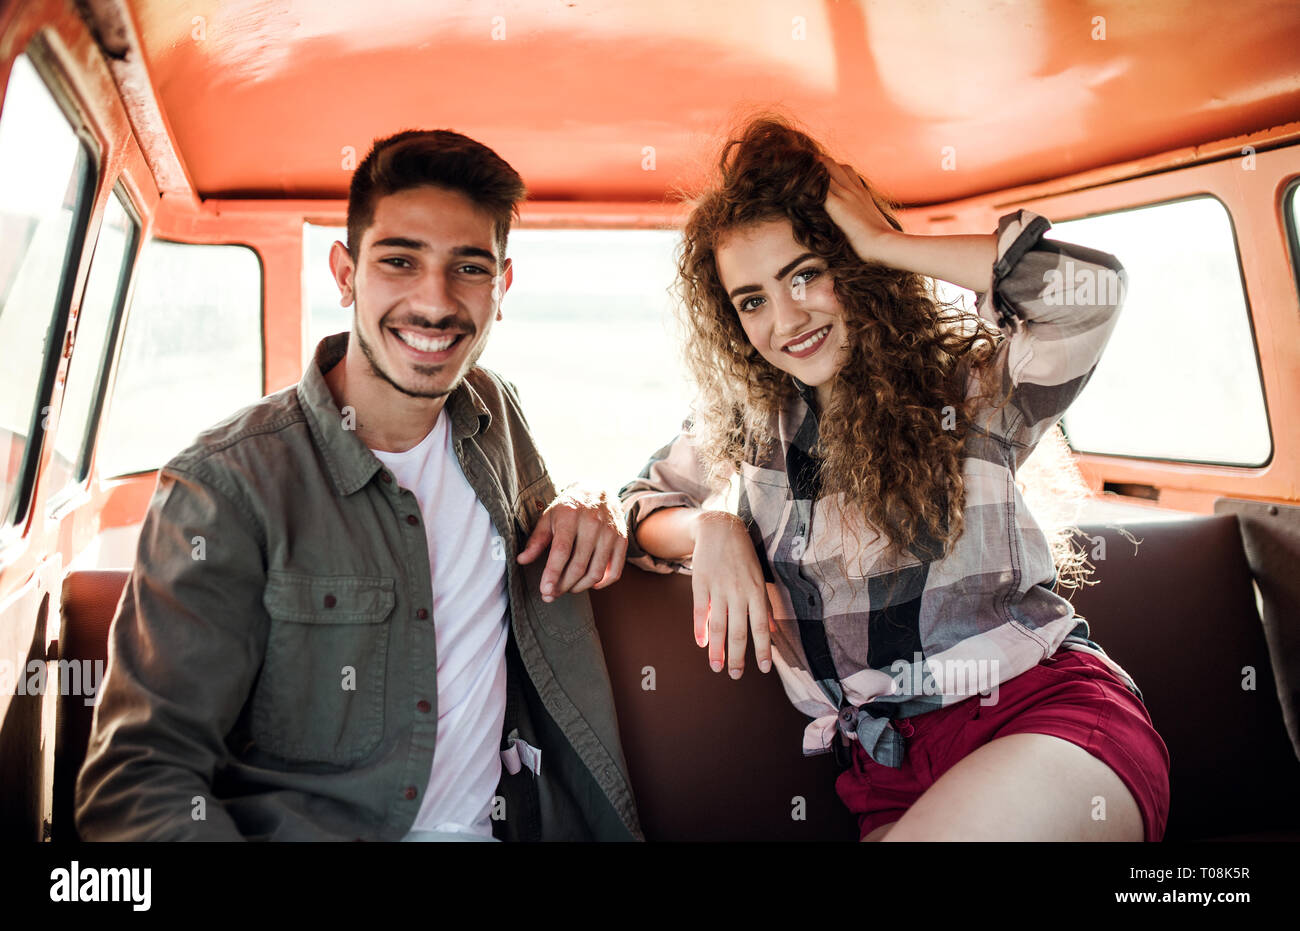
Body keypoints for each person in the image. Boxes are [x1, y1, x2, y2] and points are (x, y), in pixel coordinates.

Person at [76, 129, 641, 841]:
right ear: (344, 273)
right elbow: (138, 784)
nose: (434, 304)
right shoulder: (225, 485)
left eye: (468, 268)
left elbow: (563, 509)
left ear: (503, 287)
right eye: (399, 260)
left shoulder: (494, 417)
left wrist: (599, 500)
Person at [619, 117, 1170, 842]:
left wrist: (888, 244)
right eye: (752, 300)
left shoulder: (971, 389)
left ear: (853, 267)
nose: (785, 319)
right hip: (884, 778)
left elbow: (1088, 291)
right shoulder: (745, 424)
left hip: (1042, 721)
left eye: (806, 273)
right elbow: (641, 502)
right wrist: (713, 527)